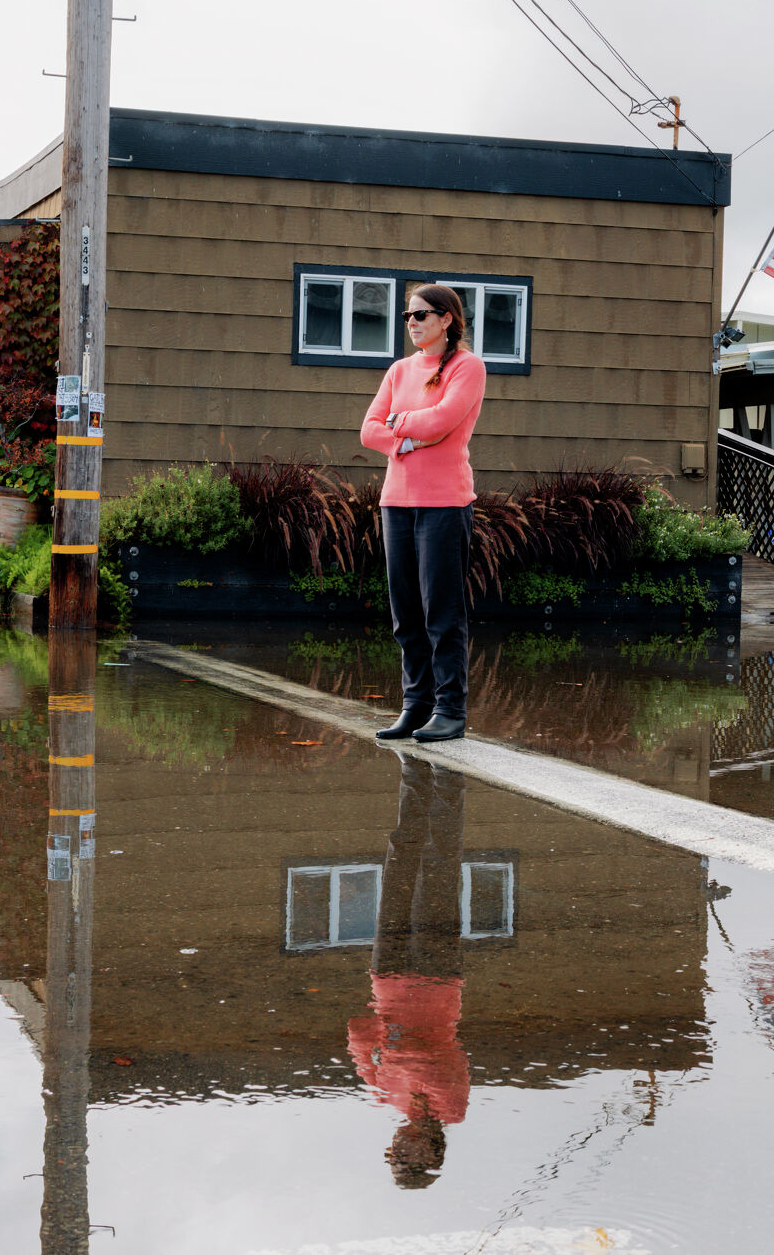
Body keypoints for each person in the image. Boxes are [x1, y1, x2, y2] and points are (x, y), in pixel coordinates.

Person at [357, 284, 487, 743]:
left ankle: (450, 711)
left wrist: (400, 423)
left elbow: (442, 421)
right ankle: (417, 706)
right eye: (408, 316)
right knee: (406, 613)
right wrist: (409, 434)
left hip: (445, 504)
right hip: (397, 502)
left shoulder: (467, 367)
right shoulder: (399, 370)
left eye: (421, 315)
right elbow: (368, 431)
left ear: (446, 319)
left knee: (442, 613)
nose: (412, 323)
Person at [346, 754, 470, 1188]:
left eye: (394, 1156)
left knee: (400, 860)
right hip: (436, 981)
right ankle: (449, 777)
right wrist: (394, 1051)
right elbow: (436, 1060)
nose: (396, 1149)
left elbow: (357, 1032)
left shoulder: (384, 1096)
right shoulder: (451, 1110)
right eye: (407, 1158)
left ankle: (414, 768)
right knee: (437, 867)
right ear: (432, 1153)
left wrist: (381, 1051)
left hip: (389, 976)